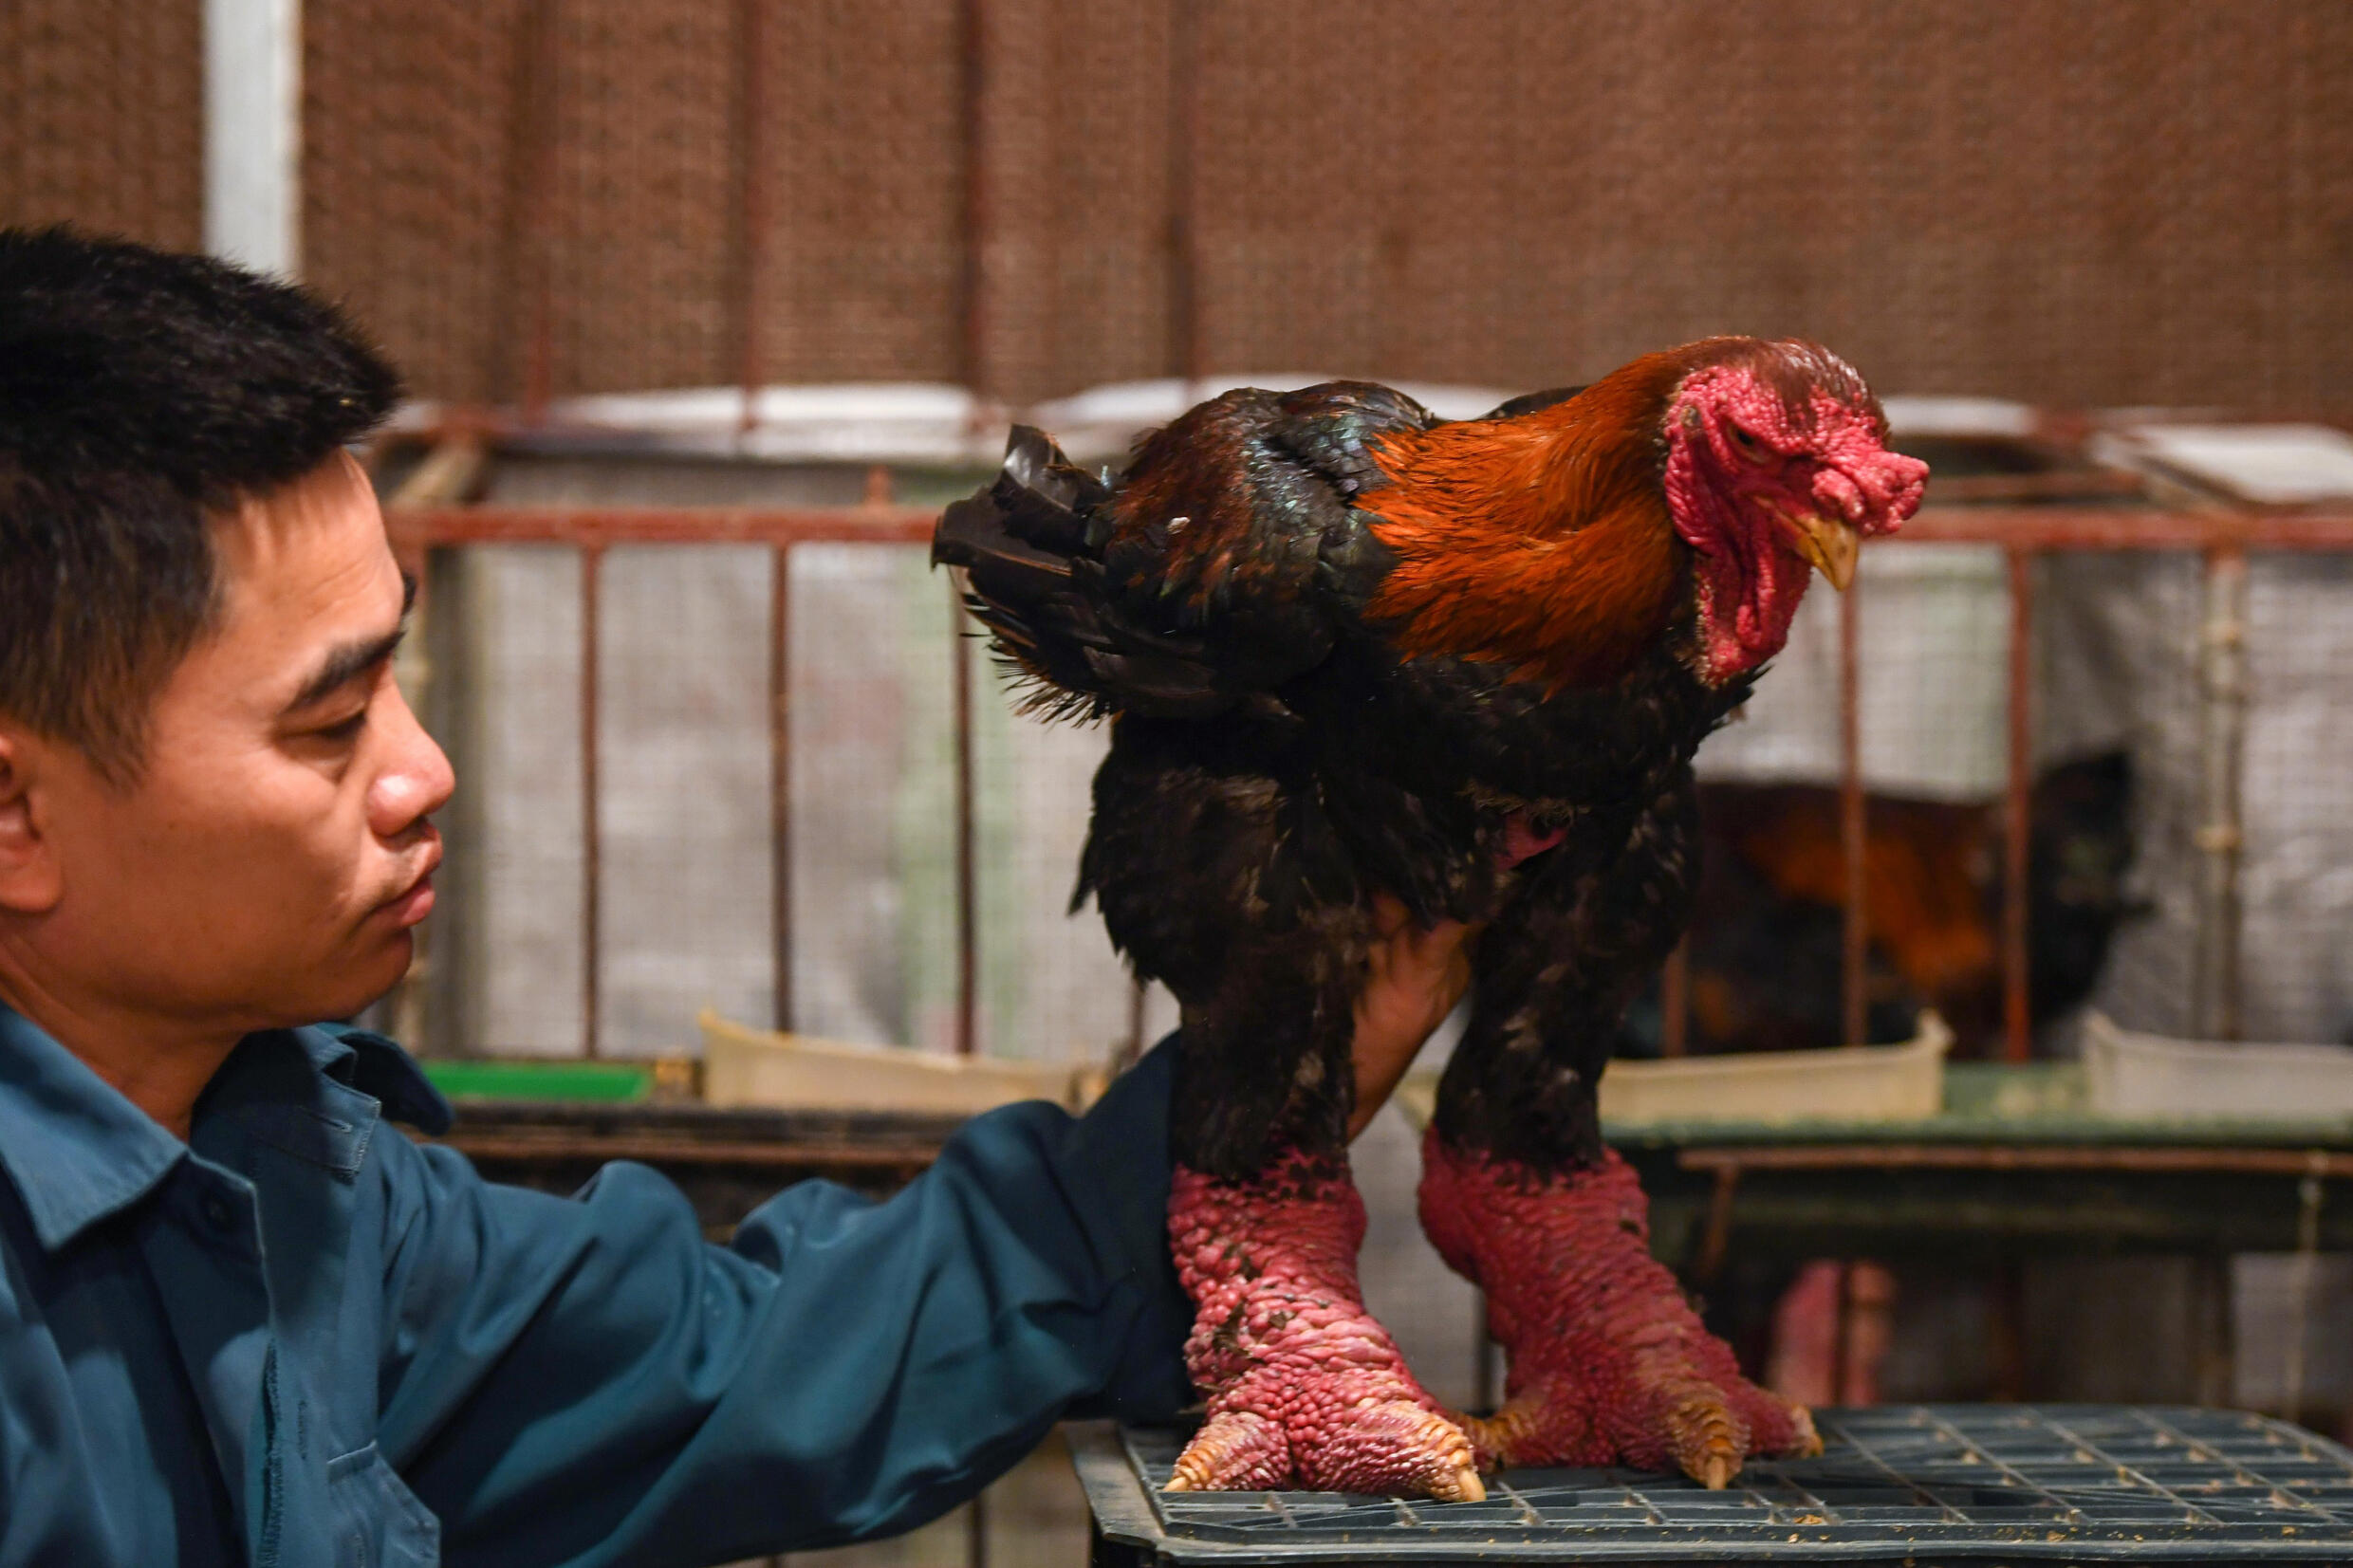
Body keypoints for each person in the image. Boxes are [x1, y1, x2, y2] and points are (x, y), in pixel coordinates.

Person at [0, 228, 1476, 1567]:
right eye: (330, 725)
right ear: (16, 814)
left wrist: (1258, 1088)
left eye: (398, 672)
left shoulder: (284, 1182)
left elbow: (742, 1360)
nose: (424, 770)